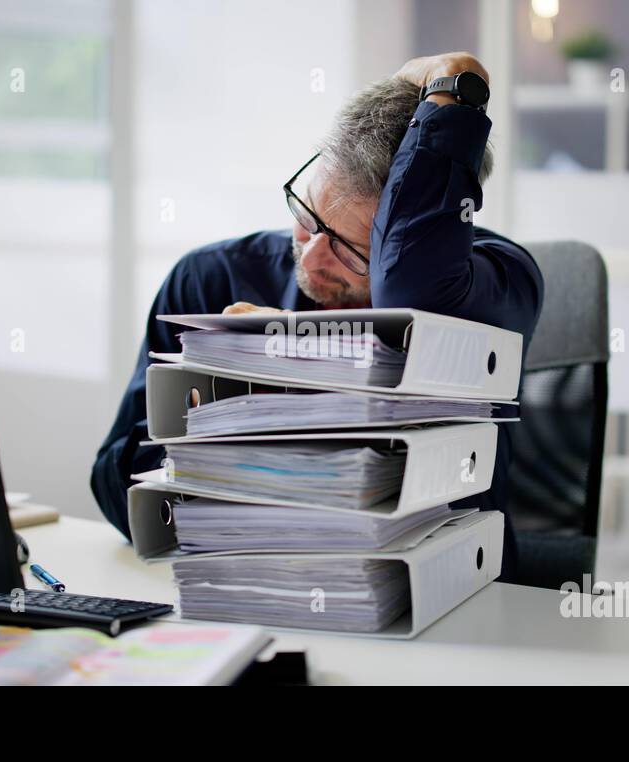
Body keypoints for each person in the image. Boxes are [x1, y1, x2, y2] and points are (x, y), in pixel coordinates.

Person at [90, 52, 544, 581]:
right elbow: (116, 480)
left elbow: (411, 282)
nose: (310, 258)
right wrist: (238, 412)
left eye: (353, 250)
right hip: (253, 588)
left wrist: (451, 89)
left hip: (450, 600)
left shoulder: (497, 282)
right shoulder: (211, 278)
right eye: (308, 217)